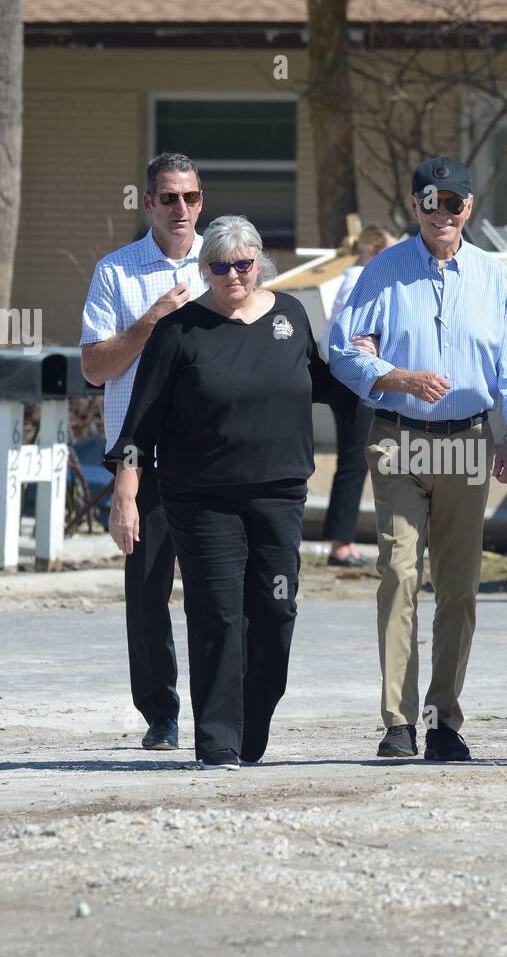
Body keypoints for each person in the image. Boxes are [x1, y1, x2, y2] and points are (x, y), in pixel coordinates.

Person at [105, 215, 352, 770]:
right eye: (219, 266)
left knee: (276, 609)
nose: (233, 275)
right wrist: (126, 492)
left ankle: (251, 718)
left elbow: (329, 383)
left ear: (259, 261)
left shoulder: (290, 315)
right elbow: (140, 421)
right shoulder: (179, 330)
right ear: (205, 270)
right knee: (216, 612)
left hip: (280, 493)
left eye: (242, 264)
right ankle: (217, 741)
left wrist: (388, 381)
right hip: (201, 497)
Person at [328, 156, 507, 762]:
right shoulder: (383, 271)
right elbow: (344, 349)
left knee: (460, 587)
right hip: (399, 437)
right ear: (414, 206)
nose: (440, 213)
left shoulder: (496, 279)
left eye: (452, 202)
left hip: (469, 441)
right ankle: (397, 721)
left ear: (469, 207)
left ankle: (445, 718)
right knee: (397, 575)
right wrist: (396, 376)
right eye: (428, 202)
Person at [81, 152, 209, 753]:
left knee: (220, 589)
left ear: (200, 201)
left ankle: (222, 708)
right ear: (147, 203)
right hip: (141, 457)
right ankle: (160, 711)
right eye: (168, 198)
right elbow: (94, 365)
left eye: (190, 197)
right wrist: (151, 322)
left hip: (213, 455)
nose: (180, 209)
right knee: (148, 590)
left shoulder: (227, 262)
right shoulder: (116, 272)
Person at [321, 224, 398, 567]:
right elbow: (351, 336)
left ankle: (344, 539)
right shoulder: (359, 281)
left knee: (357, 461)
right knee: (353, 461)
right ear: (371, 250)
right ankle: (340, 542)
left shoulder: (360, 279)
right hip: (354, 382)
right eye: (388, 251)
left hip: (358, 379)